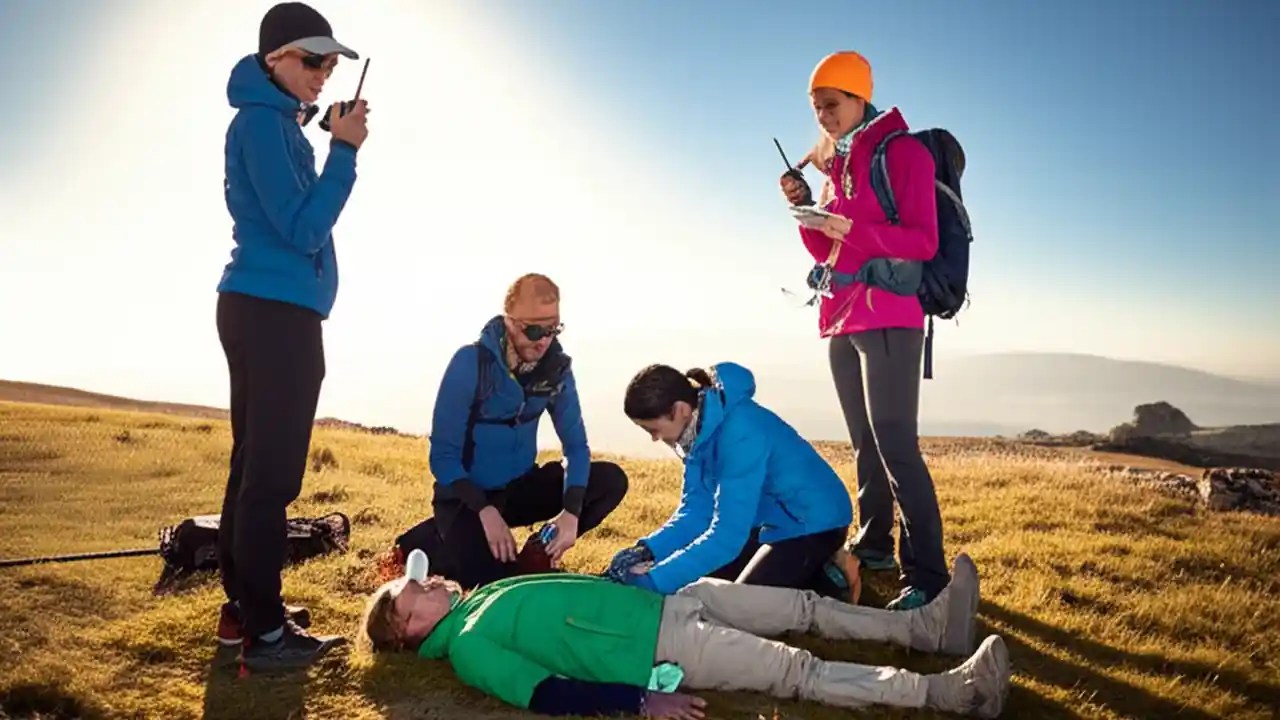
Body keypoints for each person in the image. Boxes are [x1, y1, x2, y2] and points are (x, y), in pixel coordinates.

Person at [361, 554, 1009, 718]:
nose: (430, 579)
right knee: (797, 670)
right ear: (410, 625)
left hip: (675, 603)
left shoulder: (481, 599)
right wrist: (642, 701)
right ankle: (946, 696)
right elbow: (543, 694)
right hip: (664, 650)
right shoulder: (469, 647)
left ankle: (926, 628)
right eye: (416, 588)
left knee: (807, 606)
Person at [212, 1, 368, 670]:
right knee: (271, 480)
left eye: (330, 64)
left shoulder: (273, 125)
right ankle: (268, 637)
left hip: (263, 307)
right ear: (274, 57)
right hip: (275, 314)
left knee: (252, 471)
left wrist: (322, 133)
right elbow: (302, 229)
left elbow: (290, 215)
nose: (324, 73)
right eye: (312, 60)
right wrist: (345, 153)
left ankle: (245, 613)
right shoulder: (260, 126)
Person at [779, 50, 948, 611]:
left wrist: (852, 227)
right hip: (841, 314)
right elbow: (829, 247)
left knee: (897, 444)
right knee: (866, 444)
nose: (822, 117)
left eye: (830, 105)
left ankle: (927, 577)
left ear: (858, 98)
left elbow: (922, 242)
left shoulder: (903, 153)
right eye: (815, 108)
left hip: (890, 317)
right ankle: (874, 544)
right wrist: (808, 212)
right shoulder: (840, 164)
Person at [394, 273, 629, 589]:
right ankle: (433, 536)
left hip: (519, 487)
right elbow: (443, 458)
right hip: (467, 498)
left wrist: (571, 513)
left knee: (610, 480)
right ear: (510, 322)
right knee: (497, 588)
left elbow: (575, 447)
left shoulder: (555, 369)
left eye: (553, 329)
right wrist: (485, 511)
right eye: (535, 330)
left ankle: (537, 550)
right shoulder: (470, 363)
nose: (544, 340)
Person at [603, 362, 856, 598]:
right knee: (692, 584)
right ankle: (803, 568)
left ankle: (831, 579)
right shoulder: (696, 430)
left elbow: (726, 536)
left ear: (679, 409)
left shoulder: (741, 432)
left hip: (813, 524)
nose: (655, 439)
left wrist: (653, 583)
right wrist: (648, 550)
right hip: (764, 523)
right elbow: (696, 512)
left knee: (737, 606)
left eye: (653, 430)